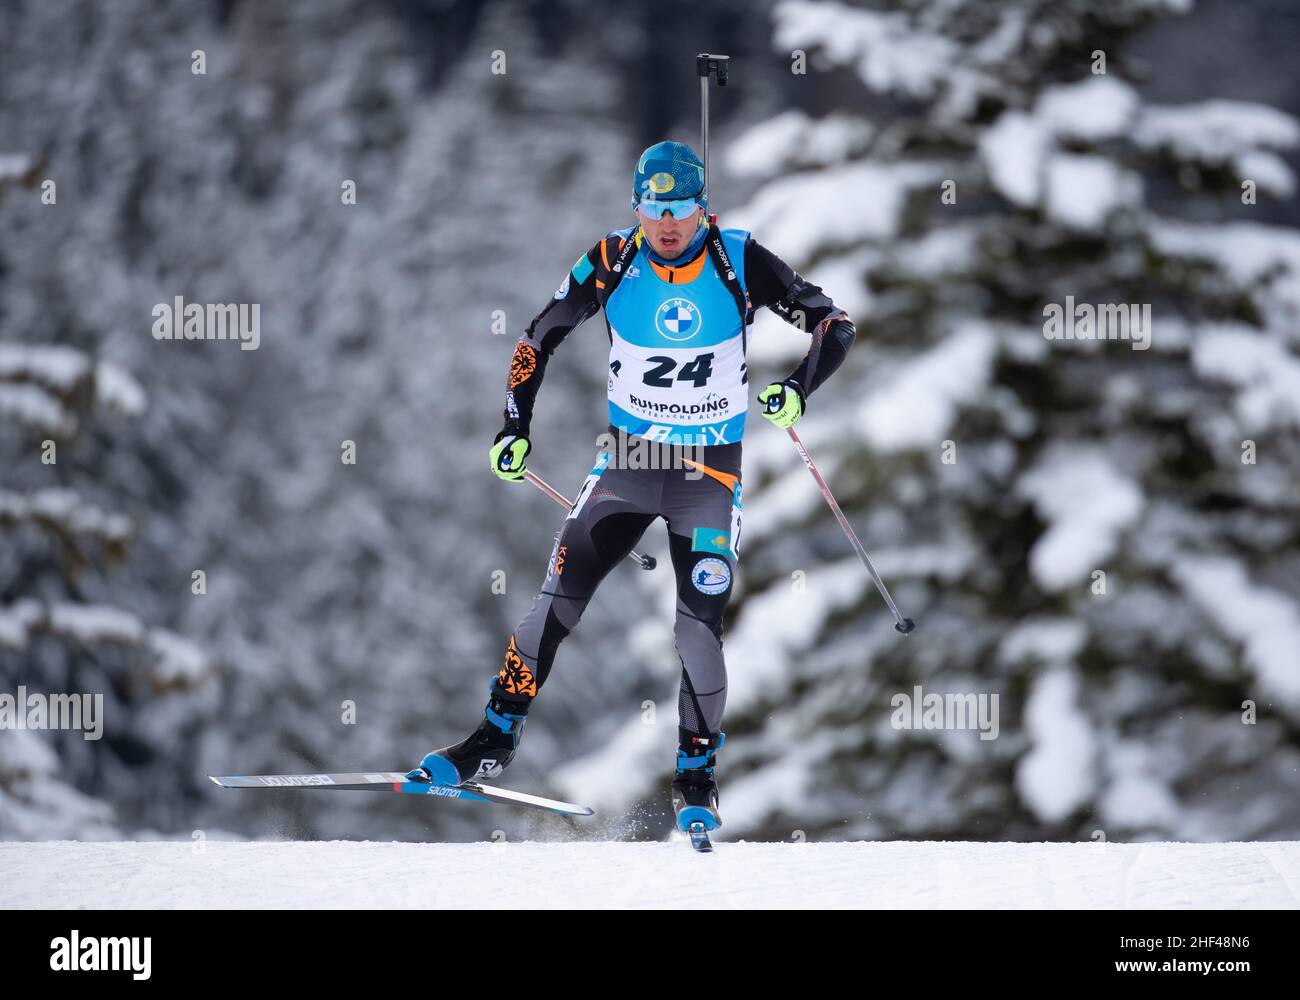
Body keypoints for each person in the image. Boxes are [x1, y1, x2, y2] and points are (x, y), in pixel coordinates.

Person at [408, 140, 857, 834]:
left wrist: (799, 389)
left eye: (680, 209)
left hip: (708, 475)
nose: (667, 224)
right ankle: (492, 743)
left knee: (697, 627)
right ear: (638, 210)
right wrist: (512, 427)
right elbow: (538, 338)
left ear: (702, 208)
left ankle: (697, 780)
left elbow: (835, 323)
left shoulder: (740, 260)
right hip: (626, 464)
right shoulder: (613, 260)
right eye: (654, 209)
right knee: (556, 601)